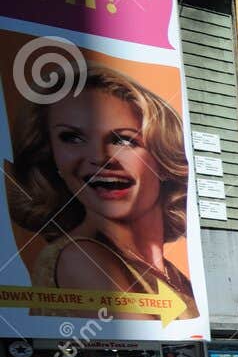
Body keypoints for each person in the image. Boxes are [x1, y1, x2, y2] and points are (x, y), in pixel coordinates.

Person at [8, 65, 199, 318]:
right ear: (52, 158)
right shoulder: (79, 256)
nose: (99, 157)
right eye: (72, 138)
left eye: (122, 140)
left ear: (163, 159)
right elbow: (140, 342)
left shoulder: (173, 274)